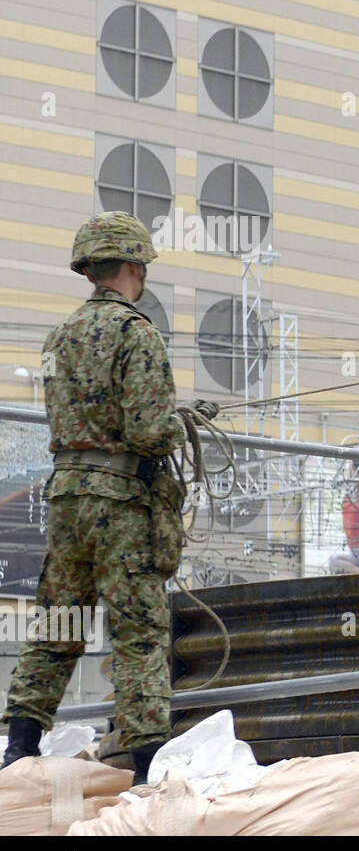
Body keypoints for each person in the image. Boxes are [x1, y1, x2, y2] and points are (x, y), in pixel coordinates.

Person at [2, 211, 207, 784]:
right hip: (120, 502)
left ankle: (19, 746)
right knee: (139, 632)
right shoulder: (136, 333)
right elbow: (148, 430)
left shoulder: (59, 335)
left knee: (58, 621)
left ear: (90, 268)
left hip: (67, 497)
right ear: (133, 267)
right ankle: (147, 769)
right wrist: (178, 423)